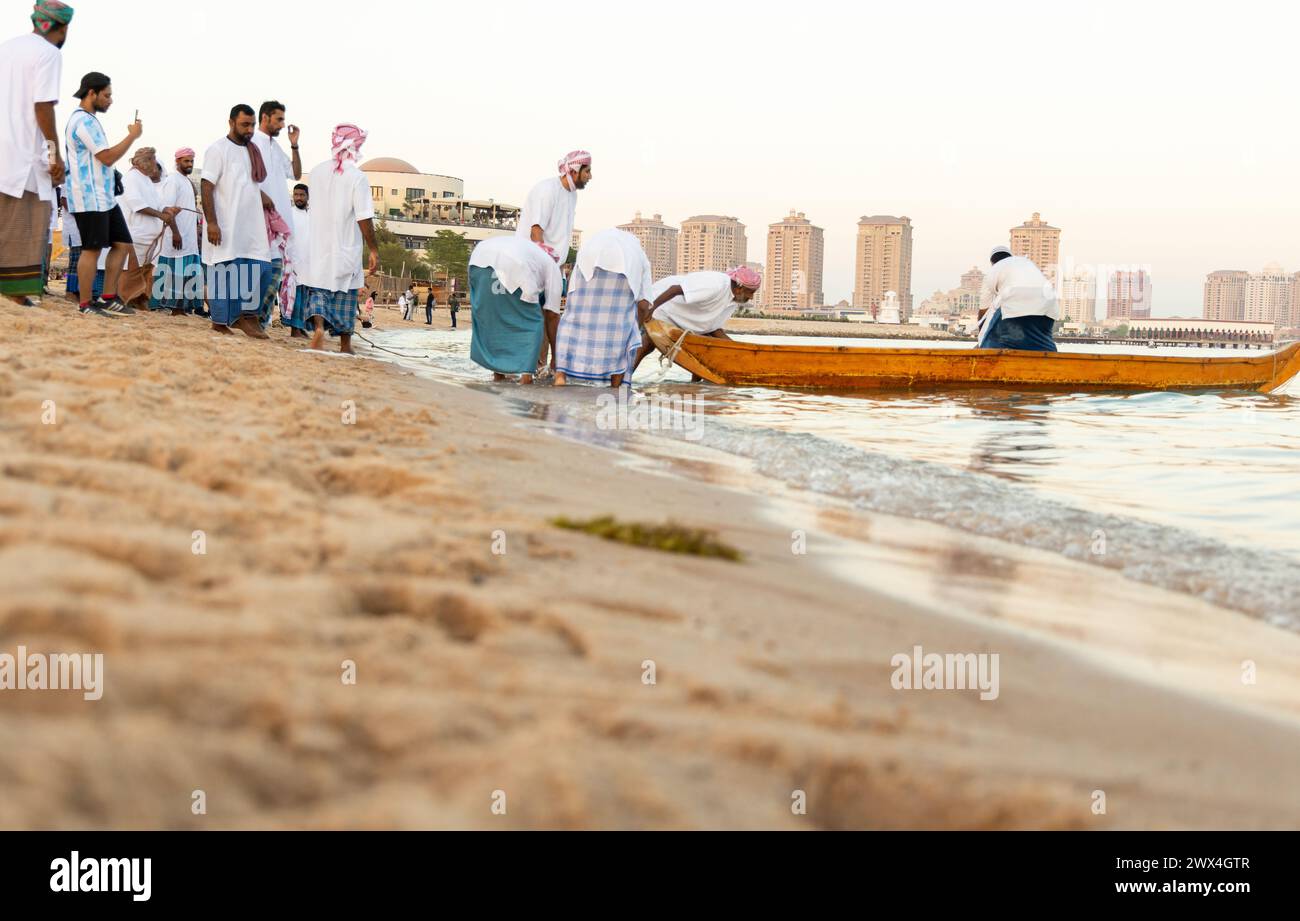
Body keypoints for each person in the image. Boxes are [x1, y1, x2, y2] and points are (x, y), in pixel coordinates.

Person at [0, 1, 73, 306]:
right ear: (63, 28)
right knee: (26, 225)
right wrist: (54, 154)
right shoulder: (48, 53)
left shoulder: (7, 47)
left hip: (4, 149)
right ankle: (15, 296)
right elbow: (43, 105)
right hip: (23, 156)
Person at [64, 71, 143, 317]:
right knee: (92, 248)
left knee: (122, 243)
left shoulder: (88, 120)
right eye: (107, 95)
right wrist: (132, 136)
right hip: (89, 197)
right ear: (92, 93)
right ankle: (86, 303)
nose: (110, 100)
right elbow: (106, 157)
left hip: (104, 196)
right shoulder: (83, 121)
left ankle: (108, 296)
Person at [299, 123, 379, 354]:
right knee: (345, 295)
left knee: (318, 291)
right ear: (356, 146)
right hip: (345, 246)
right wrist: (373, 249)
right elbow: (364, 217)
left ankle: (318, 329)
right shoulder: (357, 177)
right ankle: (345, 345)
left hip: (317, 246)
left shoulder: (316, 172)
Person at [200, 103, 277, 338]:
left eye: (253, 125)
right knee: (223, 272)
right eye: (245, 124)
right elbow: (206, 186)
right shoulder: (217, 149)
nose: (250, 129)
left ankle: (247, 316)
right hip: (225, 224)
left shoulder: (252, 150)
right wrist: (212, 223)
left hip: (251, 225)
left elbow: (247, 182)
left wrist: (263, 196)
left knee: (260, 268)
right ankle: (221, 321)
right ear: (231, 122)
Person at [554, 228, 653, 389]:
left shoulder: (591, 245)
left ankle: (560, 377)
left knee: (574, 321)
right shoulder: (639, 255)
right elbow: (643, 304)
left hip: (587, 265)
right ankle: (615, 386)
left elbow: (572, 294)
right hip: (624, 280)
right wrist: (636, 327)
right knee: (621, 333)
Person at [519, 150, 591, 370]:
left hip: (553, 265)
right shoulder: (547, 190)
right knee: (541, 316)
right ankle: (539, 366)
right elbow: (536, 231)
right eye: (587, 171)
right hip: (533, 262)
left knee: (549, 315)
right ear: (574, 170)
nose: (590, 176)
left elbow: (560, 235)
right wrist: (545, 267)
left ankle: (545, 367)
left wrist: (556, 269)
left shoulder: (571, 194)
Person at [468, 235, 563, 385]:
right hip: (516, 264)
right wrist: (557, 359)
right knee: (532, 321)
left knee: (495, 318)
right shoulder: (551, 265)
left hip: (479, 257)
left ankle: (498, 375)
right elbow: (552, 315)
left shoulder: (529, 250)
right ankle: (526, 378)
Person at [631, 266, 762, 375]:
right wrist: (651, 309)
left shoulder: (733, 300)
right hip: (662, 305)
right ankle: (623, 381)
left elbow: (712, 328)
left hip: (682, 317)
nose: (751, 297)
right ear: (739, 288)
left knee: (706, 349)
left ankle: (698, 387)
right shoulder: (715, 285)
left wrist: (741, 351)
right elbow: (674, 289)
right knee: (648, 343)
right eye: (750, 292)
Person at [251, 100, 301, 327]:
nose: (282, 124)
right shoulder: (252, 142)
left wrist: (294, 145)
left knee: (275, 273)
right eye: (279, 119)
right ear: (265, 118)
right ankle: (252, 320)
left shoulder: (276, 147)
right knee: (260, 272)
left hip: (278, 222)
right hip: (259, 219)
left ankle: (261, 322)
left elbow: (296, 173)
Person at [118, 147, 180, 307]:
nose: (155, 162)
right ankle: (125, 301)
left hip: (149, 238)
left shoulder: (145, 179)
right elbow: (137, 205)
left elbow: (157, 203)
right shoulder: (131, 178)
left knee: (144, 270)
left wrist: (167, 209)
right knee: (130, 270)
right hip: (135, 235)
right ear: (143, 161)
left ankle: (138, 301)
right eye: (152, 159)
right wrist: (161, 215)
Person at [977, 245, 1059, 351]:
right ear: (1010, 256)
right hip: (1048, 303)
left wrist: (982, 339)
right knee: (1041, 340)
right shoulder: (1025, 262)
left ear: (992, 263)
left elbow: (984, 311)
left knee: (989, 341)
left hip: (1015, 298)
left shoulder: (993, 271)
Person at [156, 147, 202, 315]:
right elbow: (167, 210)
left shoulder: (185, 180)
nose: (189, 164)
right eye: (186, 161)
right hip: (177, 236)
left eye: (191, 161)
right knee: (178, 272)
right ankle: (175, 308)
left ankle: (181, 308)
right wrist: (175, 232)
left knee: (189, 273)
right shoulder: (173, 180)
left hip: (188, 237)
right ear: (177, 162)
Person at [285, 182, 310, 337]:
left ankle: (300, 327)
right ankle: (295, 328)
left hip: (309, 262)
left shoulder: (312, 214)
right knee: (295, 296)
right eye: (296, 195)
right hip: (293, 260)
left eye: (301, 195)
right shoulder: (289, 213)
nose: (298, 198)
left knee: (306, 296)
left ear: (308, 196)